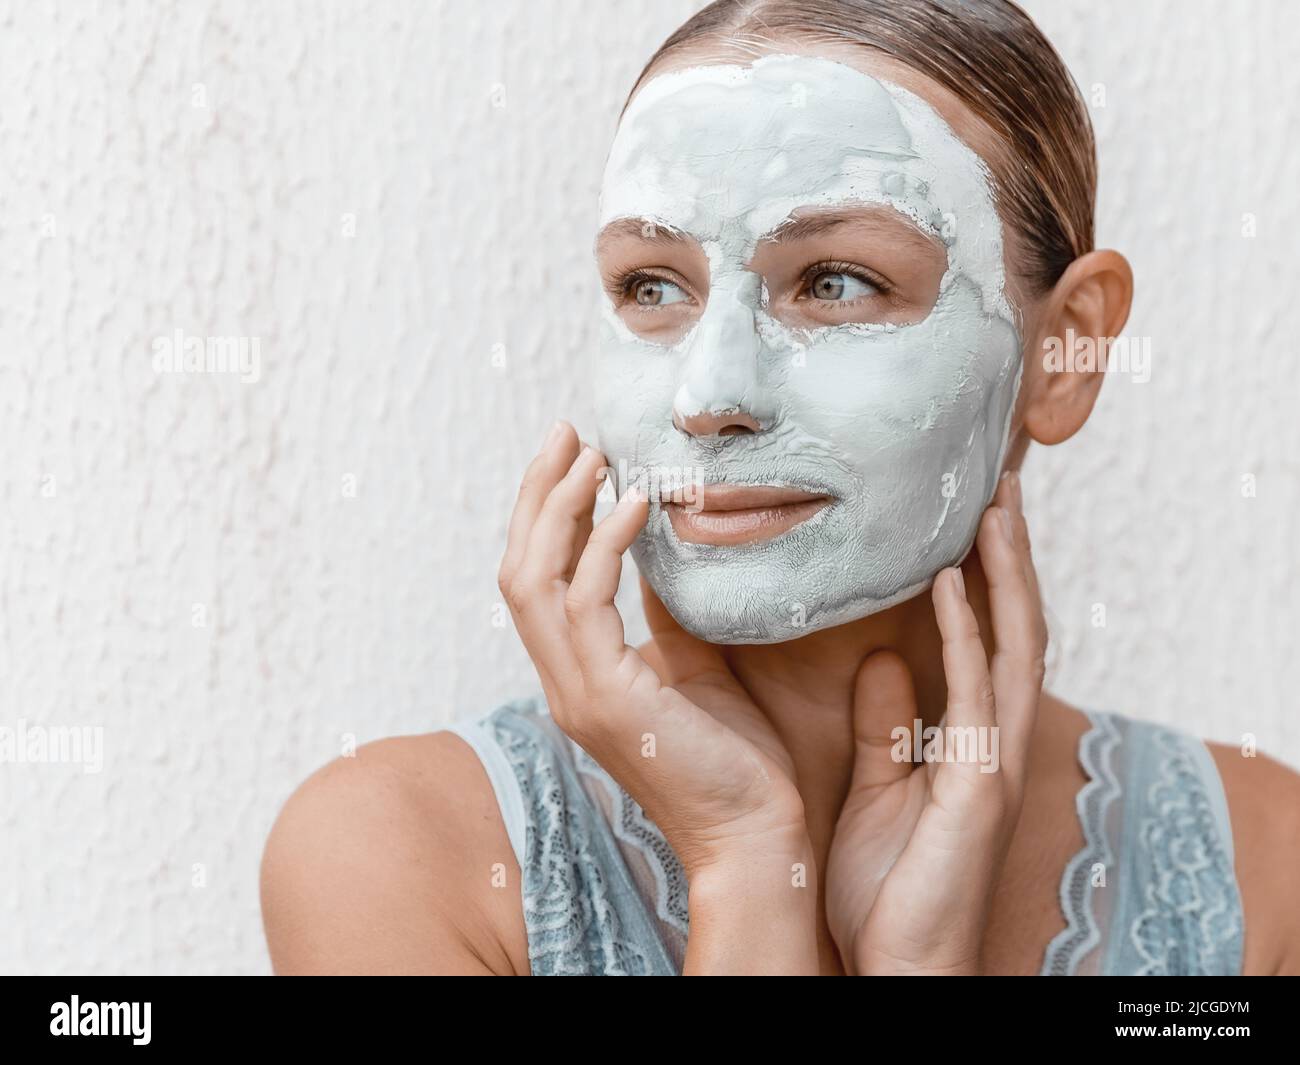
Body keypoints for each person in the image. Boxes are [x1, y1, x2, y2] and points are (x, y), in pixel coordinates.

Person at [260, 0, 1300, 975]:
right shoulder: (396, 853)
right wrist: (747, 865)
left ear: (1062, 351)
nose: (709, 397)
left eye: (835, 282)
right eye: (651, 287)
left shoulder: (1266, 870)